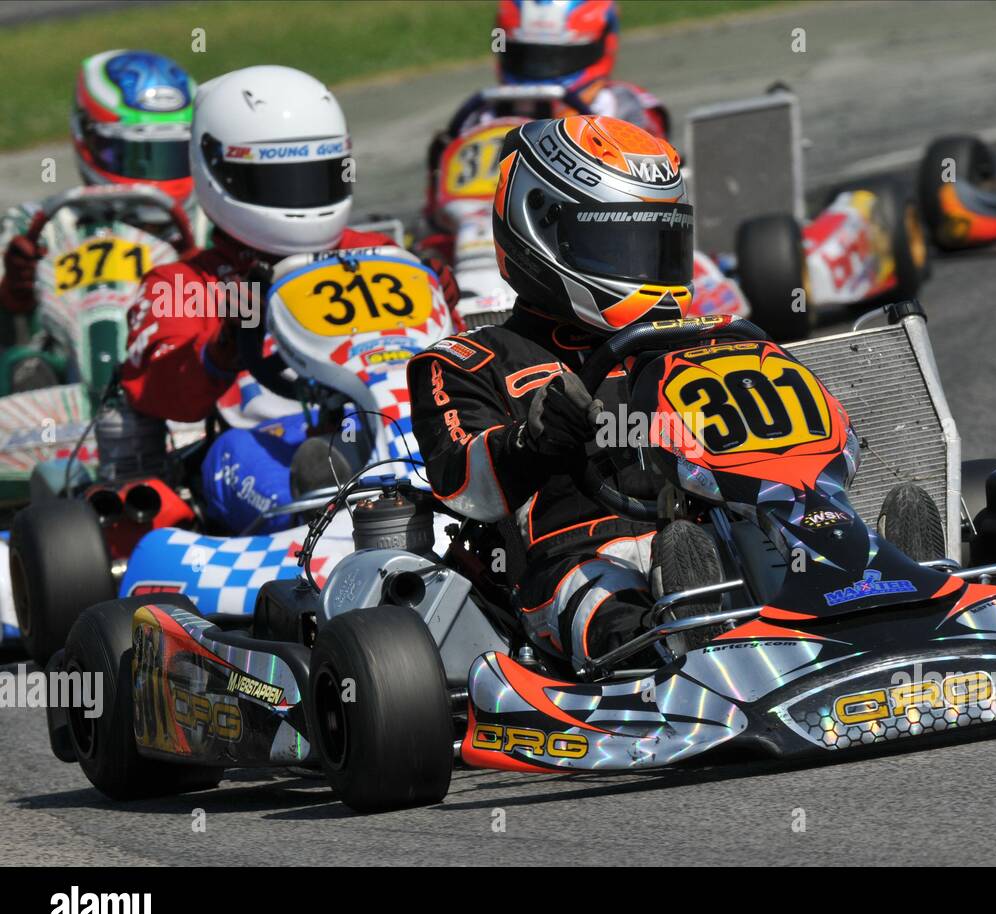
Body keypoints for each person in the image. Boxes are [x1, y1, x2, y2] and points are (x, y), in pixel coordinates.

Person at [409, 115, 696, 671]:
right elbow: (462, 484)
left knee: (776, 542)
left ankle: (887, 582)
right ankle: (680, 646)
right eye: (620, 246)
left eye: (657, 246)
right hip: (573, 559)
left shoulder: (683, 347)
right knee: (609, 606)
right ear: (542, 232)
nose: (645, 269)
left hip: (702, 532)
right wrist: (532, 439)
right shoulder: (467, 361)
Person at [121, 65, 455, 534]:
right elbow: (162, 395)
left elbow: (446, 361)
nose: (300, 200)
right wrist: (222, 348)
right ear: (219, 172)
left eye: (314, 178)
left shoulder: (382, 254)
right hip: (272, 439)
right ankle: (325, 542)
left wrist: (444, 302)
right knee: (257, 458)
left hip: (400, 426)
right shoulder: (186, 283)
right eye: (277, 183)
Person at [0, 50, 199, 361]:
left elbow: (254, 316)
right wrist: (13, 294)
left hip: (184, 379)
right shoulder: (40, 227)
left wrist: (212, 283)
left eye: (172, 154)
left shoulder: (213, 225)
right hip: (61, 387)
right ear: (86, 136)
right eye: (136, 157)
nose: (152, 179)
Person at [421, 0, 667, 235]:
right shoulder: (479, 116)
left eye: (557, 58)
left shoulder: (625, 109)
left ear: (604, 44)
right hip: (484, 238)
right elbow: (438, 216)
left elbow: (652, 199)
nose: (540, 72)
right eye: (525, 57)